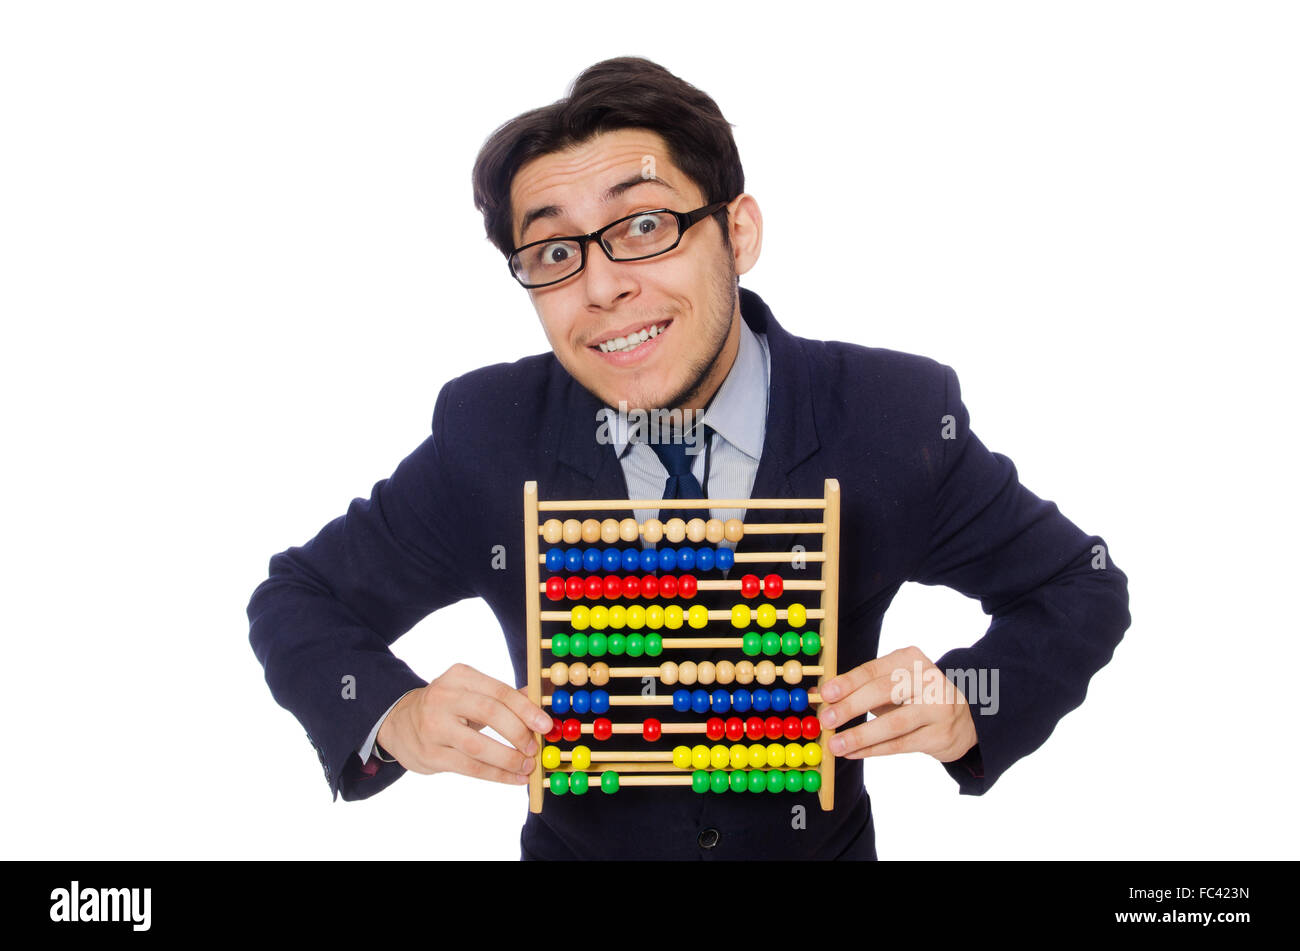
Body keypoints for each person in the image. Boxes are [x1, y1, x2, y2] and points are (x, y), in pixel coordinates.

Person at [246, 56, 1131, 860]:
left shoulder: (891, 418)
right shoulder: (488, 432)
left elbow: (1080, 585)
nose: (601, 287)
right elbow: (299, 595)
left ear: (738, 233)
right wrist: (391, 715)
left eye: (643, 227)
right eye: (555, 252)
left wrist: (969, 702)